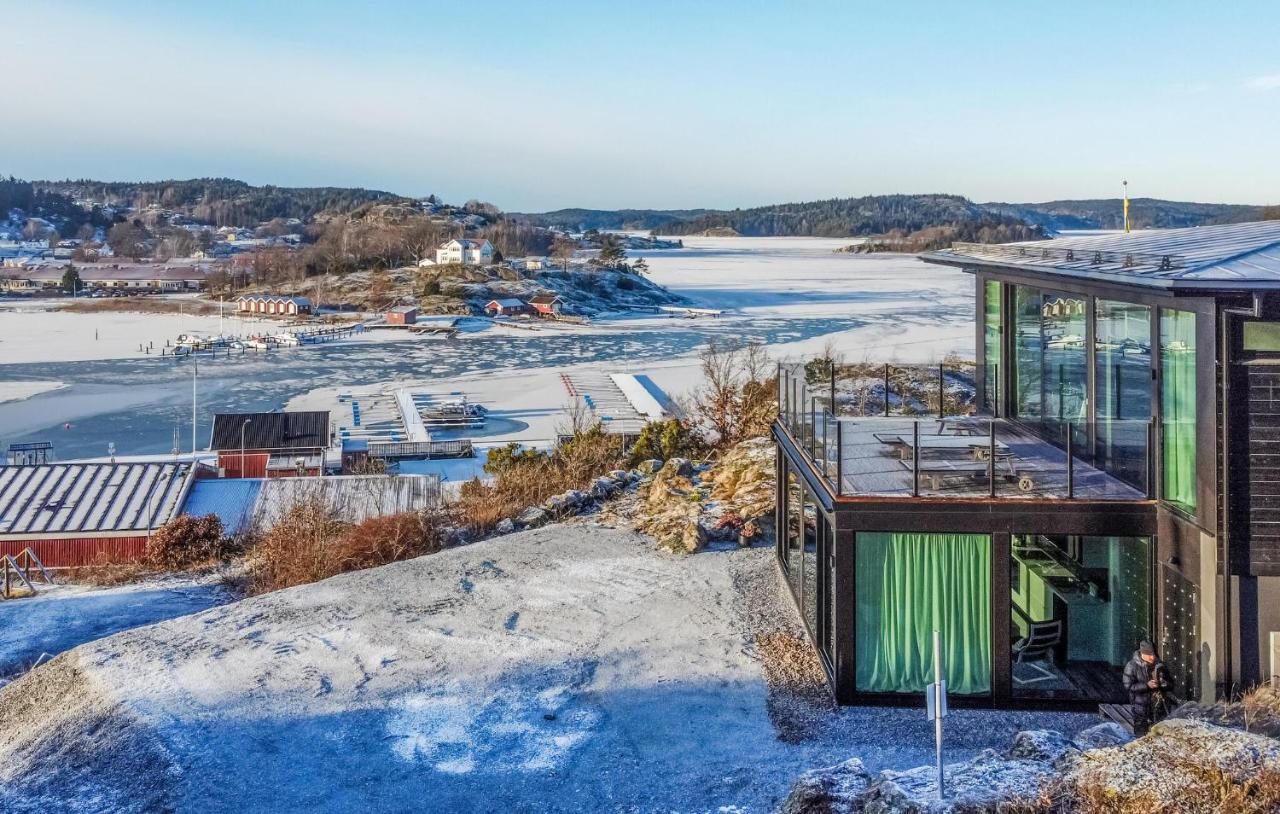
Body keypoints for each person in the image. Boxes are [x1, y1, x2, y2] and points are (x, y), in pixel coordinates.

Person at [1122, 639, 1170, 733]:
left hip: (1158, 708)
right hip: (1140, 708)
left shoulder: (1159, 665)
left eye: (1153, 654)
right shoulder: (1132, 666)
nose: (1152, 657)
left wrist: (1163, 684)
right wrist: (1146, 686)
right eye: (1149, 655)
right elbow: (1128, 686)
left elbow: (1171, 683)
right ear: (1142, 654)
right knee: (1141, 736)